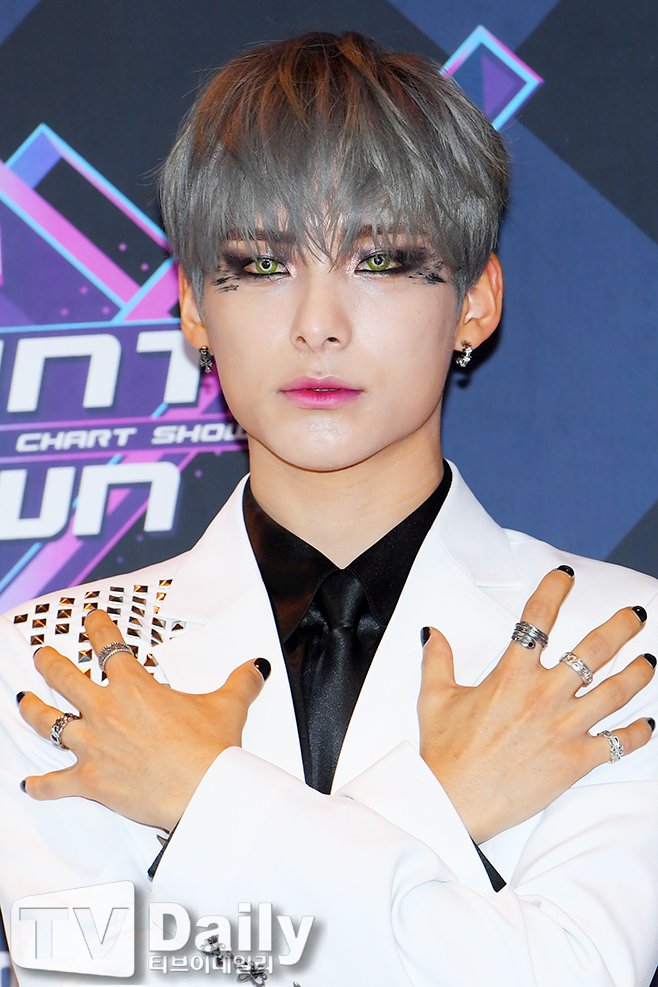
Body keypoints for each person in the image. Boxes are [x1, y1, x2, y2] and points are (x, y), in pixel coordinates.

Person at [0, 31, 657, 986]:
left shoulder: (612, 642)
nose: (318, 324)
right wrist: (440, 803)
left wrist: (199, 794)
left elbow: (562, 974)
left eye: (379, 260)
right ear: (194, 307)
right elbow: (91, 973)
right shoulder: (50, 660)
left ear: (475, 300)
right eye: (263, 265)